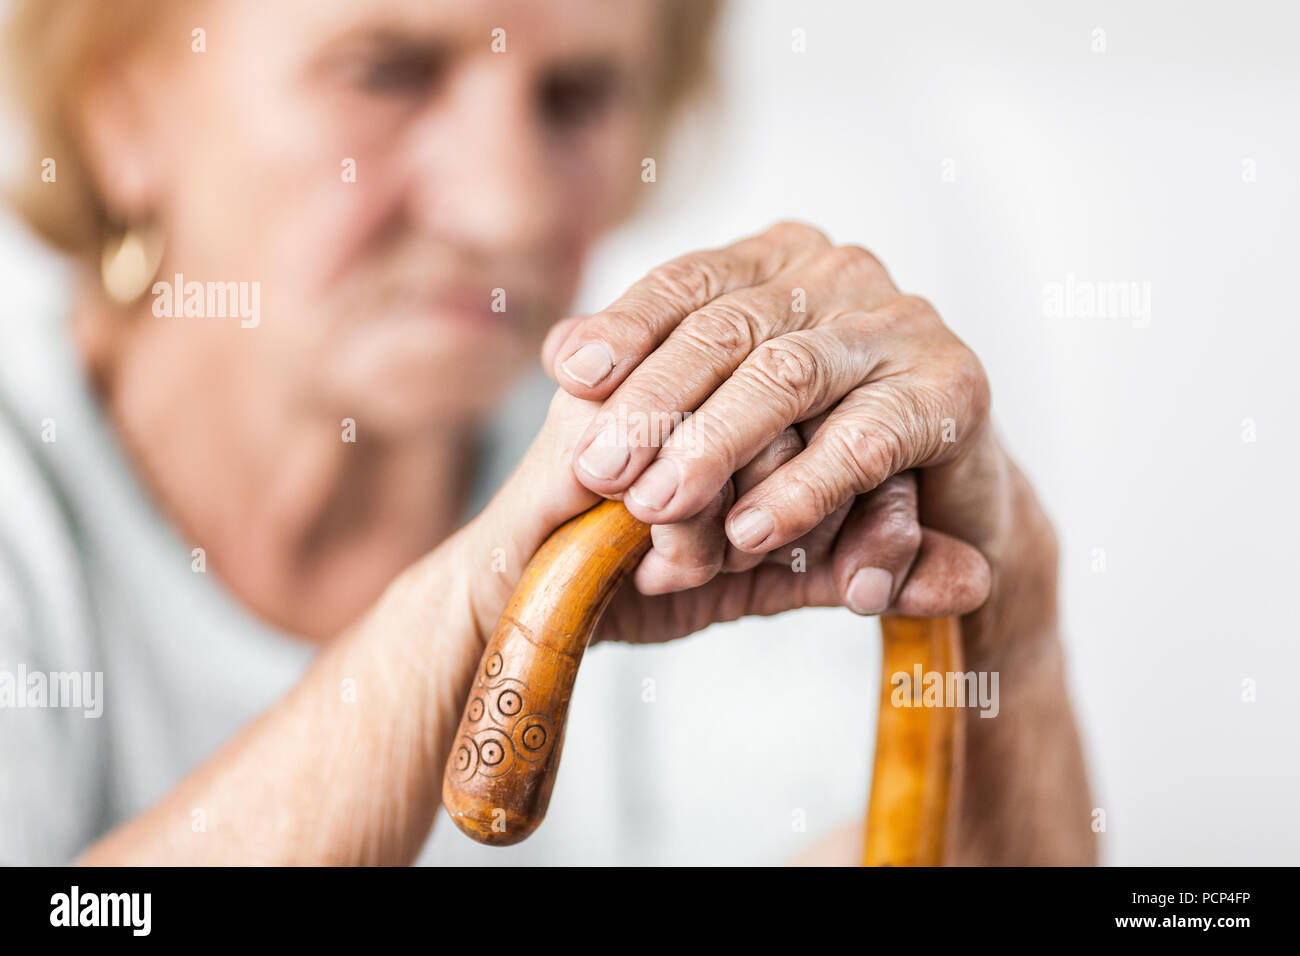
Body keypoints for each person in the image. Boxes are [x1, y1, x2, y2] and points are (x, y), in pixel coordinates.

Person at [0, 0, 1093, 865]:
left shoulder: (720, 482)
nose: (508, 208)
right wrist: (448, 620)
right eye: (389, 68)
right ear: (120, 109)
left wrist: (1007, 611)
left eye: (578, 97)